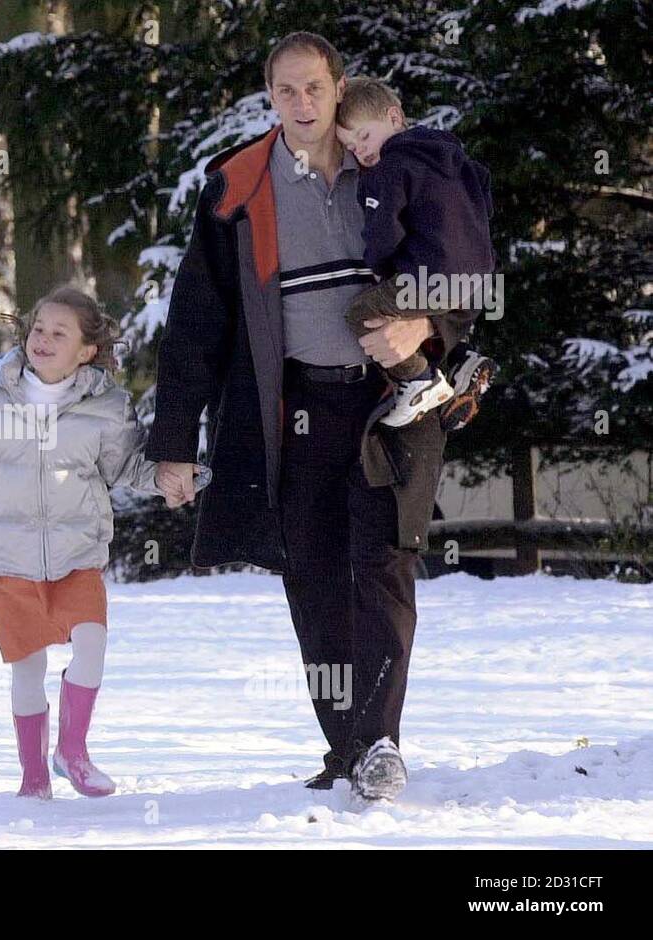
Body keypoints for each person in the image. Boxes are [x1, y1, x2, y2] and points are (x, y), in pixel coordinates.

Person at [148, 33, 486, 801]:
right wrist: (175, 443)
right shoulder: (238, 186)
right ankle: (348, 745)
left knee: (385, 563)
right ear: (271, 97)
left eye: (314, 89)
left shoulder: (394, 165)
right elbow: (197, 321)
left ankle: (381, 741)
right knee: (312, 573)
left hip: (394, 402)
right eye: (285, 92)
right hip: (293, 407)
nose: (301, 105)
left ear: (340, 90)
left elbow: (465, 264)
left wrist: (428, 328)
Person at [0, 286, 202, 799]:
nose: (43, 339)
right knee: (27, 670)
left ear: (87, 351)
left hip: (77, 552)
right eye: (38, 328)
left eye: (60, 333)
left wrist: (171, 478)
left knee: (92, 642)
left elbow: (125, 467)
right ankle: (34, 779)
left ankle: (72, 751)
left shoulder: (106, 407)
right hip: (9, 558)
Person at [335, 75, 498, 429]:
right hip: (478, 278)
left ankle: (420, 380)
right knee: (407, 311)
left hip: (432, 279)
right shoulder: (449, 155)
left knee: (361, 314)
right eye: (350, 147)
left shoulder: (389, 167)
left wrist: (379, 266)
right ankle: (460, 360)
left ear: (395, 117)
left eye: (363, 136)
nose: (360, 151)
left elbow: (382, 232)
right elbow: (483, 189)